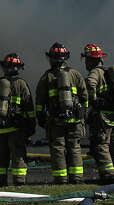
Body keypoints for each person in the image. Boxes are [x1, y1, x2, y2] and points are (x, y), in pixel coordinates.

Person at [35, 42, 88, 184]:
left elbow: (40, 101)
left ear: (51, 58)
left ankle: (61, 178)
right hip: (75, 120)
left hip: (55, 121)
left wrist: (40, 117)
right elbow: (85, 96)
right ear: (66, 58)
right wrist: (83, 113)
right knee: (75, 147)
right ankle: (76, 177)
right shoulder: (75, 74)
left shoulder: (46, 77)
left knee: (58, 148)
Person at [0, 52, 36, 187]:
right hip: (17, 129)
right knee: (18, 155)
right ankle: (19, 182)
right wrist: (31, 126)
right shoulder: (22, 85)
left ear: (4, 67)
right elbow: (29, 107)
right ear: (18, 68)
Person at [82, 43, 114, 183]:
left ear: (91, 60)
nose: (86, 63)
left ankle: (109, 175)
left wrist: (93, 100)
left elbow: (89, 83)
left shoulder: (96, 72)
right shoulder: (111, 73)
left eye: (87, 59)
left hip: (103, 116)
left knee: (101, 145)